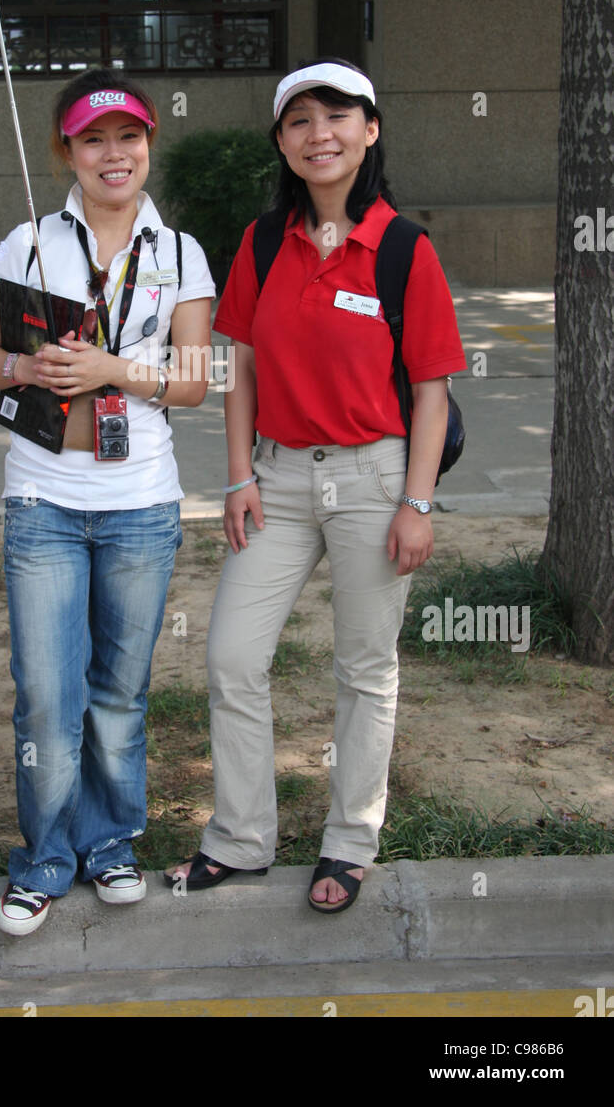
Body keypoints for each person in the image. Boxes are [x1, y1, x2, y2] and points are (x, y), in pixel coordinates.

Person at [166, 59, 466, 912]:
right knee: (231, 657)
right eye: (298, 120)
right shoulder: (265, 243)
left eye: (336, 115)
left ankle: (349, 842)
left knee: (365, 668)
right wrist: (236, 478)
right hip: (279, 479)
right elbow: (241, 368)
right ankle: (241, 838)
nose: (318, 132)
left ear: (369, 130)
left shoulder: (405, 248)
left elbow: (432, 392)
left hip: (376, 477)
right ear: (282, 143)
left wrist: (416, 503)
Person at [0, 67, 215, 936]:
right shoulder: (27, 244)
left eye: (129, 137)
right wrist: (24, 368)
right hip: (42, 499)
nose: (115, 154)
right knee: (44, 692)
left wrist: (114, 370)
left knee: (119, 690)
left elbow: (192, 384)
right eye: (93, 139)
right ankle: (43, 858)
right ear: (64, 152)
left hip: (141, 505)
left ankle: (110, 842)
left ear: (149, 144)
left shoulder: (181, 254)